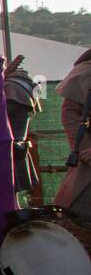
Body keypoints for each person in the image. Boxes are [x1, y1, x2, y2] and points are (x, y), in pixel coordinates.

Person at [53, 48, 91, 219]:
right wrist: (85, 147)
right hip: (88, 164)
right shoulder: (86, 71)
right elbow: (71, 113)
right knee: (78, 221)